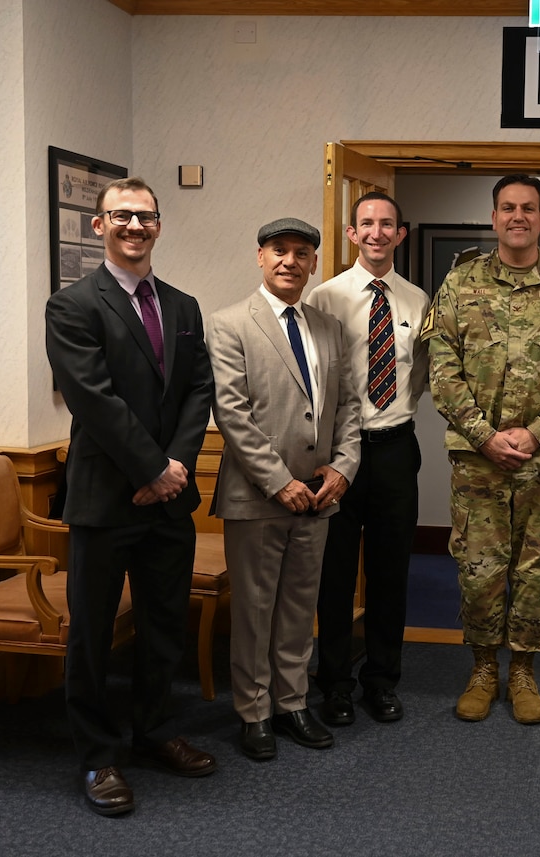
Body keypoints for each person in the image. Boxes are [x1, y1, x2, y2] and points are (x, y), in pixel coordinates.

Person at [45, 177, 216, 816]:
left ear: (159, 225)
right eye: (121, 216)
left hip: (168, 500)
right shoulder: (71, 306)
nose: (134, 227)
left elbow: (200, 391)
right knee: (90, 634)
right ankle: (96, 757)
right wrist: (153, 467)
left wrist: (177, 467)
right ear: (99, 226)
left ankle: (155, 731)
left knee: (164, 625)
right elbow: (94, 399)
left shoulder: (183, 305)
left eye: (145, 217)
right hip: (104, 499)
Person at [423, 174, 540, 725]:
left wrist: (536, 434)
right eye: (508, 208)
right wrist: (485, 435)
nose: (518, 216)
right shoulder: (459, 284)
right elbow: (442, 368)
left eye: (528, 208)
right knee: (479, 568)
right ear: (495, 216)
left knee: (535, 566)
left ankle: (522, 669)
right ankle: (482, 667)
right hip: (477, 457)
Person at [205, 218, 362, 761]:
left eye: (301, 253)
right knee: (254, 608)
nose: (289, 261)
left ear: (314, 263)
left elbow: (348, 407)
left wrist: (343, 468)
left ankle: (293, 702)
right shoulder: (229, 324)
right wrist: (279, 482)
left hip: (320, 495)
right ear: (260, 257)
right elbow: (232, 412)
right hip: (259, 496)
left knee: (299, 606)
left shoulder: (328, 327)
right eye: (278, 251)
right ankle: (253, 712)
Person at [309, 192, 430, 726]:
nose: (377, 232)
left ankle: (381, 681)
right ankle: (334, 682)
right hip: (338, 454)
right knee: (333, 575)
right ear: (352, 234)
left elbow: (422, 375)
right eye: (366, 224)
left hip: (396, 449)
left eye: (387, 224)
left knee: (389, 574)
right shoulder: (325, 297)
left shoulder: (418, 300)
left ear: (400, 234)